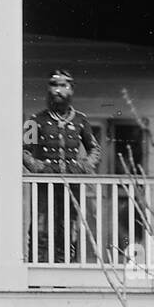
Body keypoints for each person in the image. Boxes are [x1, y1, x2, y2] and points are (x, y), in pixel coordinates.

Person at [22, 69, 101, 263]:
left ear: (71, 90)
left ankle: (66, 270)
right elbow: (23, 151)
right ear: (49, 89)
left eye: (63, 86)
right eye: (54, 85)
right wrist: (39, 167)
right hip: (44, 184)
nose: (58, 90)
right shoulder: (35, 120)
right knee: (41, 226)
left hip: (71, 183)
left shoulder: (81, 120)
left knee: (69, 226)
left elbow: (95, 150)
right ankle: (37, 268)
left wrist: (83, 166)